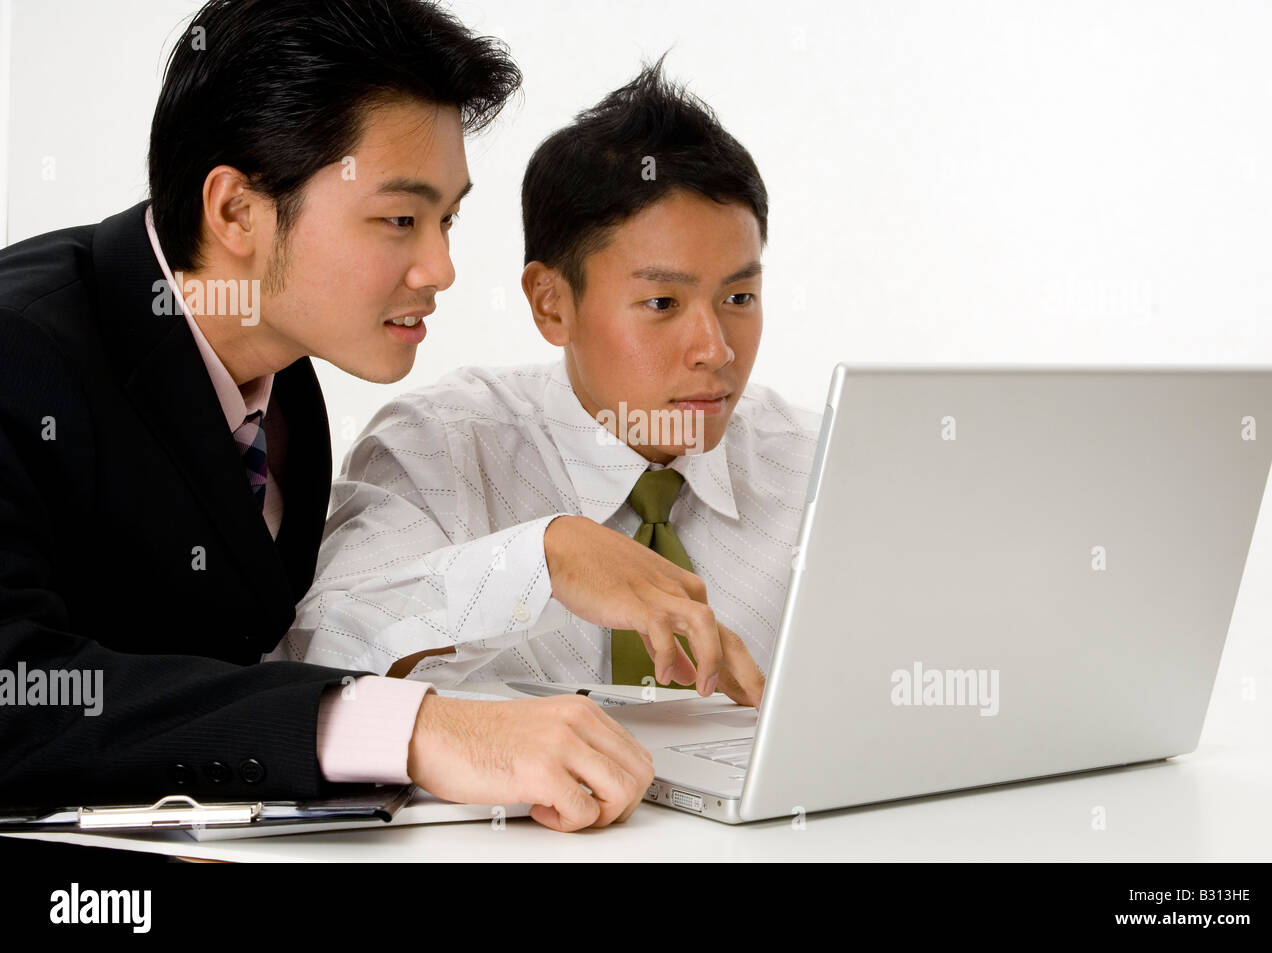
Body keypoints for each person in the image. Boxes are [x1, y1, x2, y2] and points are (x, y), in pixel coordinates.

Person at [0, 0, 688, 834]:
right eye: (400, 218)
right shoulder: (20, 348)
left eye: (448, 218)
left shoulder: (284, 384)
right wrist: (411, 727)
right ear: (236, 212)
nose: (440, 267)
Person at [272, 60, 820, 697]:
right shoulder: (442, 449)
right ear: (551, 303)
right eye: (663, 304)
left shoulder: (819, 470)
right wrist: (539, 560)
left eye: (739, 298)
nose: (715, 349)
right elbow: (322, 657)